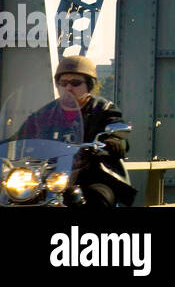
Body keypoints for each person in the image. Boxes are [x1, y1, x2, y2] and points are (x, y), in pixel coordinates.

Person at [14, 55, 136, 207]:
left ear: (89, 85)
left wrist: (115, 141)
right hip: (50, 176)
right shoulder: (44, 114)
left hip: (92, 173)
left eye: (75, 83)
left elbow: (117, 130)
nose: (68, 88)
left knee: (99, 197)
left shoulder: (104, 109)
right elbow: (19, 137)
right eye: (63, 83)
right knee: (16, 196)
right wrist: (11, 145)